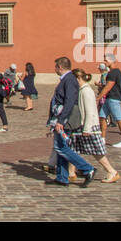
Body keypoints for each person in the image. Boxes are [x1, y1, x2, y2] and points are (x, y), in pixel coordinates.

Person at [48, 57, 95, 186]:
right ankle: (62, 177)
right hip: (63, 117)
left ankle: (87, 168)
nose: (55, 69)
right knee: (61, 147)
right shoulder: (67, 79)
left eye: (56, 67)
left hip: (66, 118)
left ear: (60, 67)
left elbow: (69, 101)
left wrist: (61, 120)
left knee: (61, 147)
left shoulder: (69, 80)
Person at [71, 69, 119, 182]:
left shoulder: (86, 91)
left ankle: (112, 171)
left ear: (78, 79)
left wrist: (87, 128)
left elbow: (90, 111)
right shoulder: (82, 90)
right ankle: (71, 172)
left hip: (89, 126)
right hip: (82, 125)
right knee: (72, 148)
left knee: (96, 151)